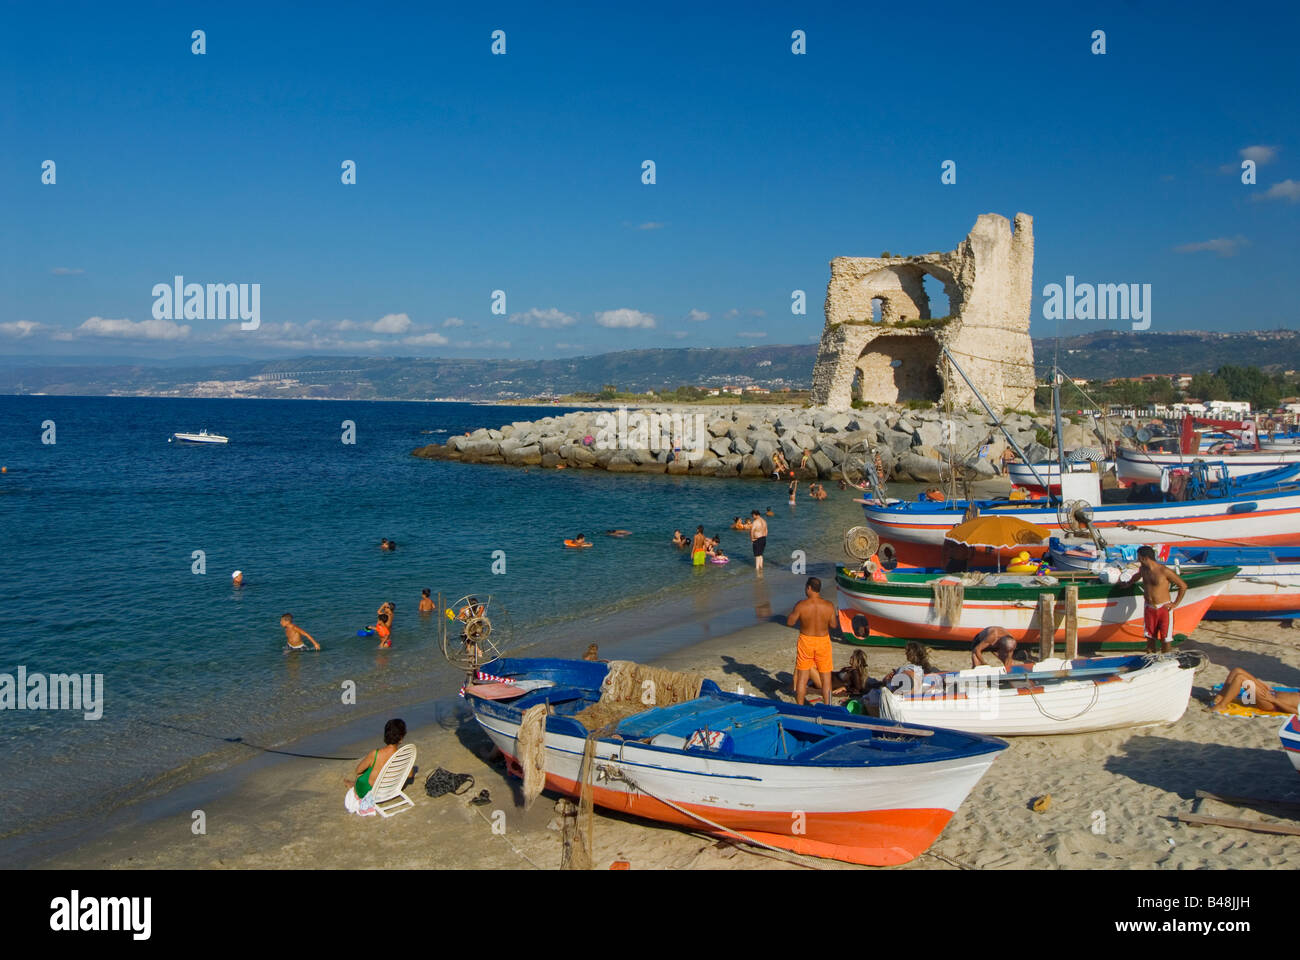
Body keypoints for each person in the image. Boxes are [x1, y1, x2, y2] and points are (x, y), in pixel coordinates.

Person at [786, 577, 835, 706]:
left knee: (802, 677)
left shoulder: (802, 605)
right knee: (826, 679)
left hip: (806, 640)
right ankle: (828, 706)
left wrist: (800, 616)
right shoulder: (829, 605)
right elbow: (834, 625)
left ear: (808, 588)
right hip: (823, 641)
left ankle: (800, 707)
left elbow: (790, 622)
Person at [344, 718, 408, 816]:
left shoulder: (376, 754)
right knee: (378, 770)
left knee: (363, 773)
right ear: (401, 738)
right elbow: (410, 774)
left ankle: (353, 786)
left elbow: (358, 770)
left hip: (373, 792)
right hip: (389, 788)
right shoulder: (402, 756)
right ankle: (353, 784)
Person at [1133, 545, 1187, 653]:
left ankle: (1166, 661)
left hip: (1164, 608)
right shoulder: (1143, 569)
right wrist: (1128, 583)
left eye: (1138, 557)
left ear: (1144, 558)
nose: (1137, 559)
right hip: (1149, 607)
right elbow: (1137, 576)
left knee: (1165, 639)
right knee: (1149, 637)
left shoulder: (1164, 571)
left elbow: (1183, 586)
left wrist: (1175, 604)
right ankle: (1151, 660)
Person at [1211, 667, 1300, 714]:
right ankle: (1220, 696)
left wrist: (1274, 700)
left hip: (1271, 703)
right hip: (1271, 694)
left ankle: (1223, 705)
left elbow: (1296, 712)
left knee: (1240, 678)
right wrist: (1262, 685)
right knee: (1236, 670)